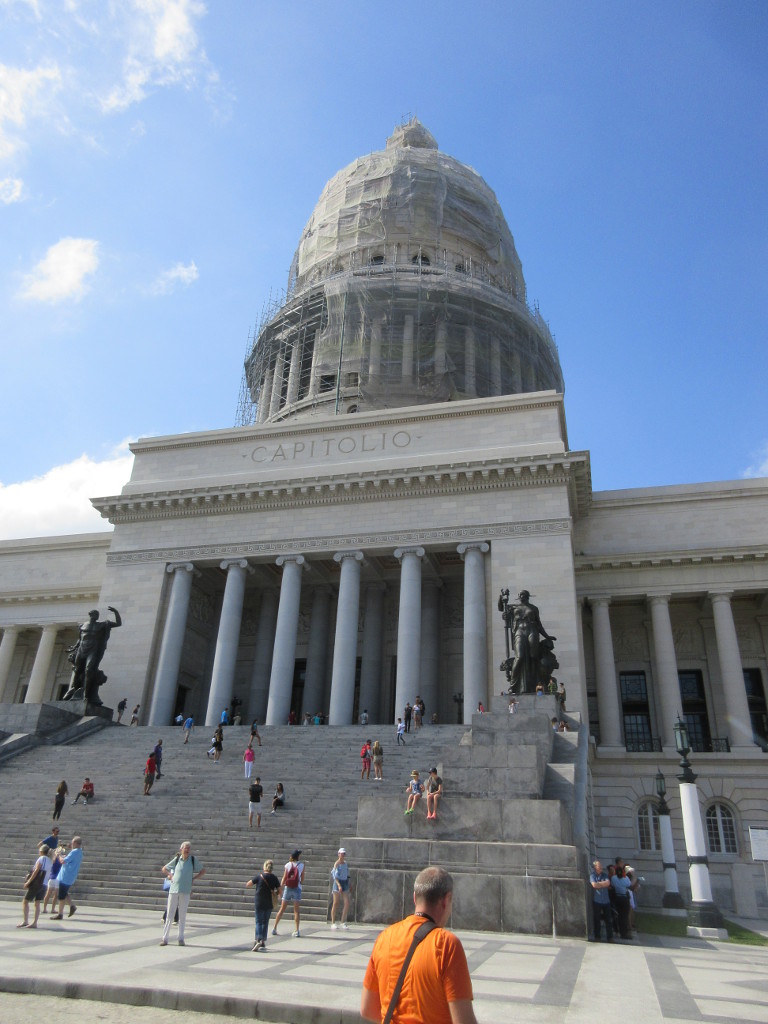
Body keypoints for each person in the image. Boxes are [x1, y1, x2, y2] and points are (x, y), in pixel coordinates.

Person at [361, 866, 477, 1024]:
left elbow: (367, 1009)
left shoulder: (384, 938)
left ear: (415, 898)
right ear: (446, 900)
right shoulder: (446, 945)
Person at [63, 606, 122, 705]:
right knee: (77, 670)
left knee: (89, 669)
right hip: (82, 649)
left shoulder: (102, 625)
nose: (96, 616)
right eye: (94, 615)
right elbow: (80, 639)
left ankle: (86, 695)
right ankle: (74, 689)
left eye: (97, 615)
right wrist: (74, 648)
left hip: (93, 649)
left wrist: (116, 612)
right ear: (90, 615)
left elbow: (118, 623)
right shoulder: (82, 626)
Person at [506, 590, 556, 695]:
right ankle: (512, 686)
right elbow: (501, 608)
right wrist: (502, 599)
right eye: (519, 595)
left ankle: (536, 683)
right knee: (519, 657)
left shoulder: (533, 608)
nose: (521, 596)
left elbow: (539, 624)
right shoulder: (513, 608)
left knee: (534, 656)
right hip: (519, 631)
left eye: (523, 595)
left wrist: (547, 636)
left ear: (527, 596)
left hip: (532, 630)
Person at [160, 841, 205, 946]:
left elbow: (203, 871)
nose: (187, 850)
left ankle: (181, 938)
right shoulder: (176, 860)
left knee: (182, 915)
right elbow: (164, 869)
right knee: (170, 914)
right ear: (181, 849)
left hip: (186, 890)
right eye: (185, 848)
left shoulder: (193, 860)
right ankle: (164, 938)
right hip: (174, 889)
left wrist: (194, 879)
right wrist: (170, 876)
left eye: (188, 848)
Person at [246, 859, 280, 951]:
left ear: (264, 867)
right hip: (269, 903)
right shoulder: (274, 878)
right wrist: (275, 893)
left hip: (259, 902)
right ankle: (263, 942)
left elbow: (248, 884)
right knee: (265, 922)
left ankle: (258, 939)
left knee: (258, 921)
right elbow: (279, 890)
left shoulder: (259, 876)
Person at [272, 849, 305, 938]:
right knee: (296, 911)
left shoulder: (288, 865)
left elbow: (284, 877)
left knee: (282, 909)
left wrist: (280, 888)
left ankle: (274, 928)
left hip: (288, 887)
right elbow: (302, 879)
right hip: (297, 888)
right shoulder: (301, 865)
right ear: (298, 856)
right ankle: (297, 930)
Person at [19, 843, 52, 928]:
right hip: (45, 884)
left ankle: (25, 921)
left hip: (37, 884)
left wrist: (28, 882)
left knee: (25, 901)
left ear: (41, 851)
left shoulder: (42, 858)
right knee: (37, 903)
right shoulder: (50, 860)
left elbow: (37, 871)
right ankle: (34, 922)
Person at [52, 835, 83, 919]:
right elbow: (70, 859)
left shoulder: (74, 852)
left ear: (76, 843)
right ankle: (72, 906)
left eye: (72, 842)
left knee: (61, 895)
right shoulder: (79, 851)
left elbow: (63, 861)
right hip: (70, 876)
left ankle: (60, 914)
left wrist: (58, 855)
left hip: (66, 876)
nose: (71, 844)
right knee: (64, 892)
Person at [589, 859, 613, 942]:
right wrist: (602, 884)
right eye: (599, 866)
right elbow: (594, 885)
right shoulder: (592, 875)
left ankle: (610, 937)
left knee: (608, 920)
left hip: (606, 901)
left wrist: (599, 884)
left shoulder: (605, 875)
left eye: (601, 866)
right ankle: (597, 936)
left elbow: (608, 883)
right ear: (595, 867)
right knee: (597, 919)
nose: (601, 867)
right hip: (597, 901)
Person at [610, 859, 634, 939]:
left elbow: (612, 885)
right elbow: (629, 885)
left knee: (618, 915)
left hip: (617, 898)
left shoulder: (613, 878)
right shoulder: (626, 878)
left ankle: (618, 931)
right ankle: (624, 933)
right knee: (624, 916)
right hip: (624, 898)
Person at [42, 844, 67, 916]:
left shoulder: (53, 858)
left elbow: (51, 852)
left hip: (51, 877)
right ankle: (52, 908)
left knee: (48, 893)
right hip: (58, 878)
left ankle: (44, 908)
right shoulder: (61, 859)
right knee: (55, 895)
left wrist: (56, 852)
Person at [330, 848, 350, 929]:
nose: (342, 855)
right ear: (338, 854)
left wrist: (349, 884)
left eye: (343, 854)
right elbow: (334, 876)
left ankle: (343, 921)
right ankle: (333, 922)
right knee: (336, 903)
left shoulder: (345, 864)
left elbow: (347, 874)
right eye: (341, 853)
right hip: (337, 882)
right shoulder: (336, 864)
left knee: (346, 903)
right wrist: (338, 885)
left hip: (344, 882)